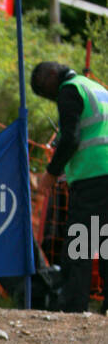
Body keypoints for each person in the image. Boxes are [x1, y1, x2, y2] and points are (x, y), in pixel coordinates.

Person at [31, 62, 108, 313]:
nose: (49, 96)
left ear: (53, 75)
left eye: (44, 89)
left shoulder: (69, 89)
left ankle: (73, 311)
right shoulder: (95, 87)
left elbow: (70, 138)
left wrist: (50, 175)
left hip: (93, 176)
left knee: (80, 245)